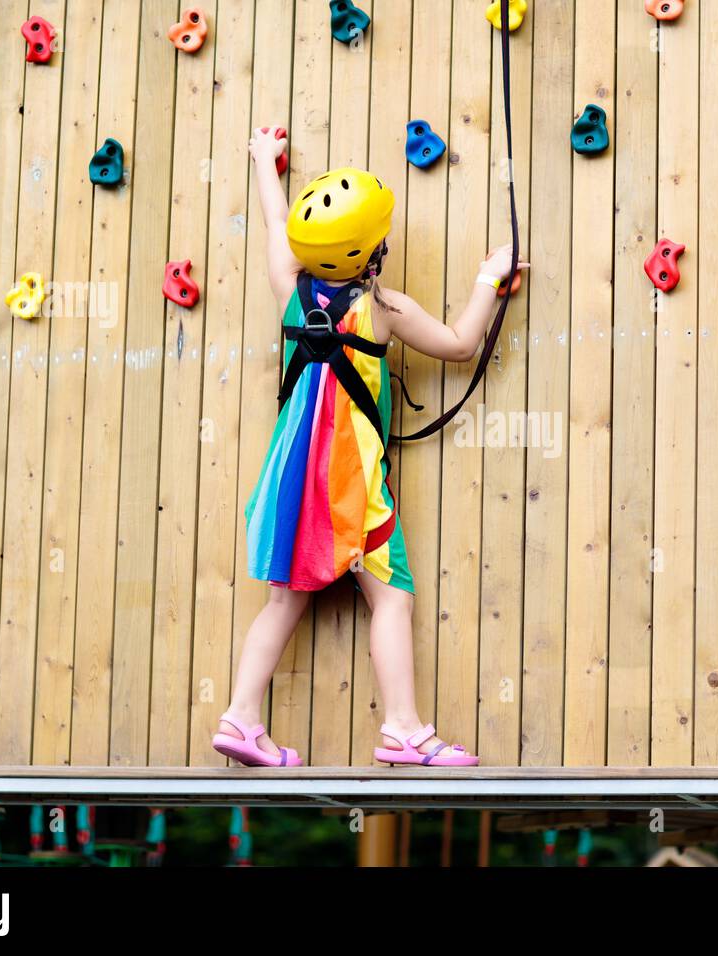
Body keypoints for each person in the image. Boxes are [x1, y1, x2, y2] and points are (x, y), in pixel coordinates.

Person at [212, 127, 526, 767]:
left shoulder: (289, 287)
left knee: (284, 598)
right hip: (349, 482)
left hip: (290, 476)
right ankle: (404, 729)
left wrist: (265, 162)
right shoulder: (383, 308)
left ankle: (240, 717)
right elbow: (461, 344)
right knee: (392, 595)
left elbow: (276, 223)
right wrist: (488, 278)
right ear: (371, 252)